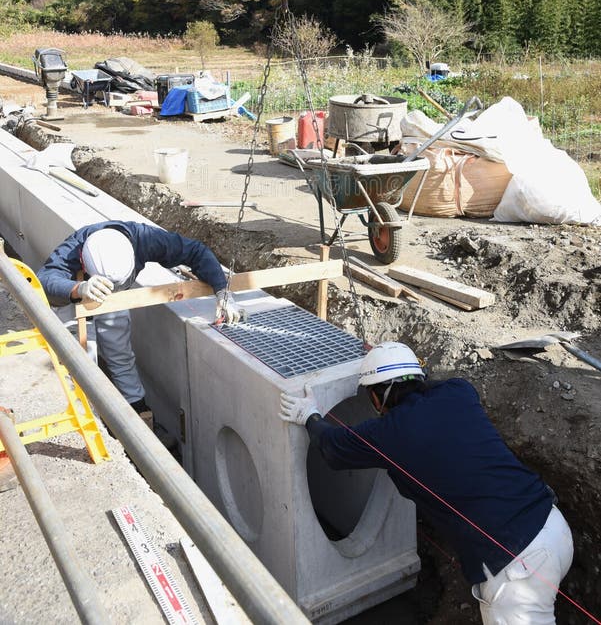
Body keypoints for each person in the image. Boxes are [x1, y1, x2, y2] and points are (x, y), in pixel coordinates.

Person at [280, 341, 573, 624]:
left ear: (378, 396)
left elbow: (332, 447)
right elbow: (431, 388)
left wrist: (310, 416)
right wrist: (401, 367)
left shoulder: (390, 433)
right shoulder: (460, 391)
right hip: (555, 529)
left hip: (519, 566)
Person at [38, 220, 242, 417]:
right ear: (83, 260)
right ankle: (88, 414)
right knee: (80, 357)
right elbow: (45, 278)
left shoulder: (143, 239)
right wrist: (78, 288)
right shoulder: (75, 247)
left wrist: (222, 290)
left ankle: (135, 408)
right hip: (74, 298)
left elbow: (196, 251)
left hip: (115, 297)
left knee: (118, 350)